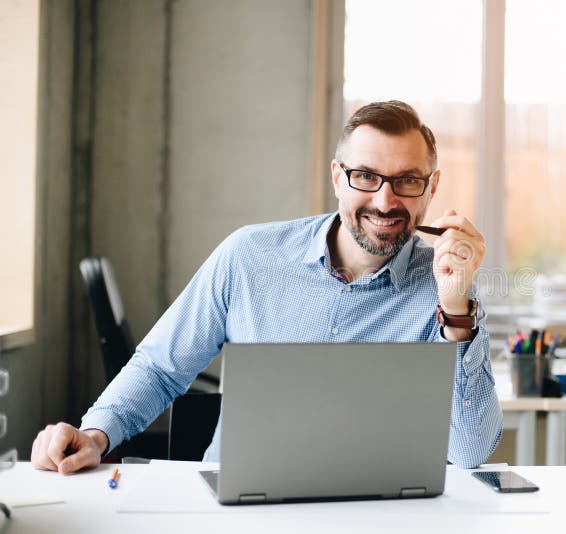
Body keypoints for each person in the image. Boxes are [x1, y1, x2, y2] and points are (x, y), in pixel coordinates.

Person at [31, 100, 503, 472]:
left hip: (375, 514)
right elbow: (160, 368)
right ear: (338, 176)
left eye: (407, 181)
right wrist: (95, 434)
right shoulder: (250, 256)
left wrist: (457, 309)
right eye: (366, 176)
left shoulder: (444, 286)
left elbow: (469, 452)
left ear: (432, 187)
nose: (386, 200)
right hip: (239, 512)